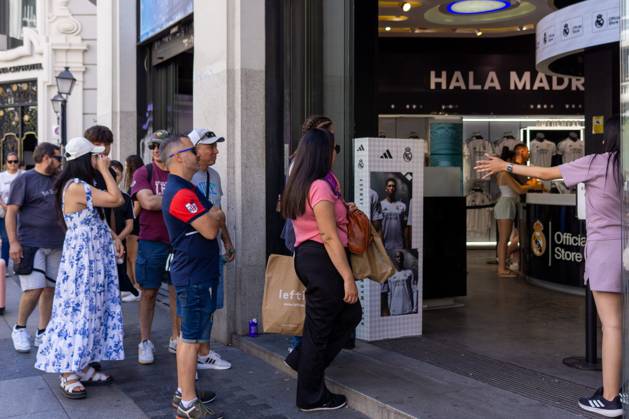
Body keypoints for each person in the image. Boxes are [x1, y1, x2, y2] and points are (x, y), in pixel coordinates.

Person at [475, 117, 623, 418]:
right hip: (627, 246)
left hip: (606, 249)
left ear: (607, 139)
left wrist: (506, 167)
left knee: (612, 326)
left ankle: (610, 399)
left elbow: (546, 172)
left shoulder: (599, 162)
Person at [35, 137, 125, 398]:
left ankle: (82, 366)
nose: (101, 159)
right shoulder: (75, 186)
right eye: (95, 157)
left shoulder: (81, 185)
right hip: (83, 262)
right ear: (86, 160)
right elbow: (116, 198)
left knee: (93, 311)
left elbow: (95, 220)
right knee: (76, 312)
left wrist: (113, 238)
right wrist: (106, 170)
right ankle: (67, 371)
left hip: (93, 258)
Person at [282, 128, 361, 412]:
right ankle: (311, 395)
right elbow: (328, 236)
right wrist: (348, 277)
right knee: (321, 328)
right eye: (332, 148)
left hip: (308, 256)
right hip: (322, 259)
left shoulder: (299, 183)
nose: (334, 153)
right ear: (322, 153)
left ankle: (302, 362)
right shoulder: (319, 187)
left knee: (347, 314)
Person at [160, 134, 224, 419]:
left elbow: (211, 219)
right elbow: (211, 227)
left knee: (192, 334)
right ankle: (187, 402)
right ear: (177, 158)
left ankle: (183, 391)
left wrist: (213, 216)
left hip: (197, 271)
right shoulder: (180, 192)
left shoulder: (186, 187)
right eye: (191, 149)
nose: (198, 153)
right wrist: (215, 216)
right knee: (191, 337)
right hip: (194, 273)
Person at [8, 143, 63, 353]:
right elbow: (12, 212)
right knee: (34, 289)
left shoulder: (59, 179)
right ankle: (20, 327)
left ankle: (43, 331)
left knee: (50, 288)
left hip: (57, 243)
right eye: (58, 158)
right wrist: (13, 242)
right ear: (47, 157)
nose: (60, 163)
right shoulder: (24, 179)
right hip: (31, 242)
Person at [131, 130, 179, 364]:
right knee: (148, 293)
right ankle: (144, 341)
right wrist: (176, 199)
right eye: (153, 146)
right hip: (151, 242)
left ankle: (176, 337)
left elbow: (155, 201)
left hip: (177, 242)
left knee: (176, 292)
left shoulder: (179, 171)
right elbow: (147, 202)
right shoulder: (144, 172)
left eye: (160, 145)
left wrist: (163, 200)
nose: (156, 150)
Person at [189, 129, 235, 371]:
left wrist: (226, 240)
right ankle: (193, 352)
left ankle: (203, 351)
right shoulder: (187, 178)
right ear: (196, 149)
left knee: (211, 303)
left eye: (216, 146)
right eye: (211, 147)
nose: (216, 151)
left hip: (213, 248)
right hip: (193, 250)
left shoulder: (214, 176)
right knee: (194, 303)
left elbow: (219, 212)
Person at [493, 147, 540, 277]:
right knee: (504, 239)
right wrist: (533, 185)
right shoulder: (504, 174)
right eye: (512, 161)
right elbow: (519, 190)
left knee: (504, 239)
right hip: (506, 205)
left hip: (507, 205)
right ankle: (501, 269)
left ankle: (502, 266)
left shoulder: (504, 174)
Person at [109, 160, 138, 300]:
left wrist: (118, 239)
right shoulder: (99, 195)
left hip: (120, 242)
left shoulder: (126, 198)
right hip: (103, 242)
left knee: (120, 272)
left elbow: (130, 224)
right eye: (111, 173)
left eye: (118, 174)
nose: (114, 177)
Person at [123, 154, 144, 297]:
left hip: (135, 224)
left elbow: (137, 205)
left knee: (133, 257)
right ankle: (133, 287)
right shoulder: (134, 182)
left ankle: (137, 288)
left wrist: (130, 218)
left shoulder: (136, 181)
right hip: (133, 223)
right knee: (130, 257)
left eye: (126, 165)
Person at [0, 152, 22, 264]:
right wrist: (6, 207)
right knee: (6, 239)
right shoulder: (1, 176)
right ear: (6, 163)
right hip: (5, 211)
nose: (13, 163)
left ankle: (20, 264)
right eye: (10, 161)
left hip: (21, 212)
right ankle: (4, 265)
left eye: (15, 161)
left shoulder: (23, 175)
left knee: (21, 238)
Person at [380, 178, 408, 254]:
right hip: (385, 245)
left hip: (399, 245)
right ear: (386, 188)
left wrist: (406, 244)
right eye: (389, 186)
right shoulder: (381, 205)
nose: (391, 188)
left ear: (395, 189)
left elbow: (405, 227)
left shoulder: (402, 206)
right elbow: (379, 228)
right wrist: (380, 245)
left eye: (393, 186)